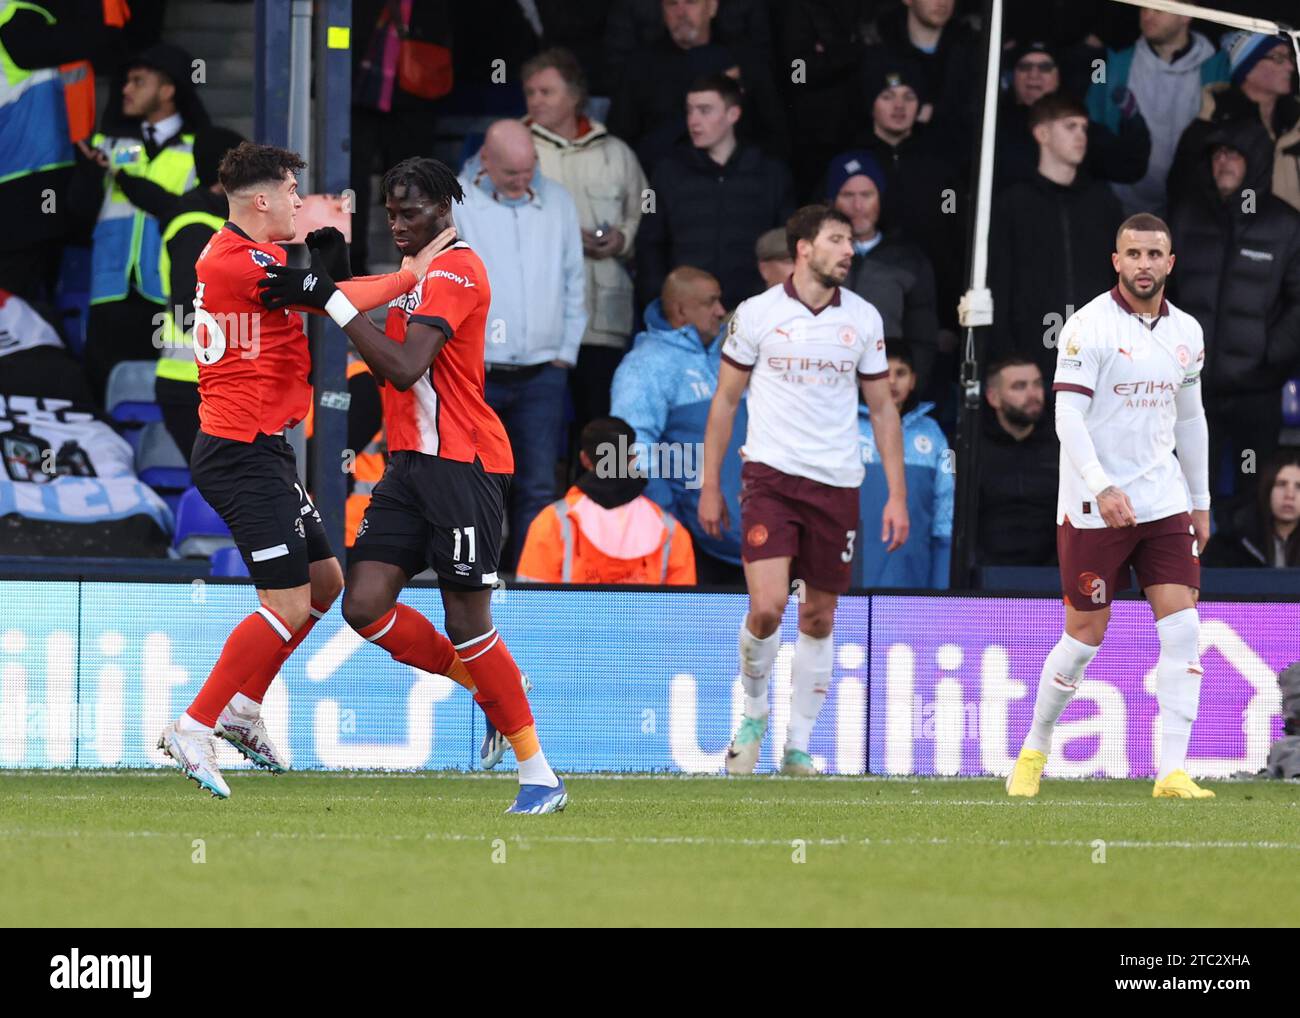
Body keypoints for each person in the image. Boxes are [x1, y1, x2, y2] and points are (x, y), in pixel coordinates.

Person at [261, 156, 568, 815]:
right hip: (407, 468)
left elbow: (402, 368)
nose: (399, 224)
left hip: (464, 465)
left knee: (466, 619)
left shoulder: (458, 269)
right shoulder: (413, 275)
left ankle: (540, 775)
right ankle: (492, 694)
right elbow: (348, 297)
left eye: (412, 213)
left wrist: (331, 296)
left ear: (445, 210)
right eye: (391, 213)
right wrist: (319, 272)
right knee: (363, 605)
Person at [156, 143, 428, 799]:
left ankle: (243, 708)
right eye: (290, 191)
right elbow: (336, 299)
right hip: (240, 454)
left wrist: (346, 275)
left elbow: (322, 293)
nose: (297, 202)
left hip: (264, 449)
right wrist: (409, 275)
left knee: (325, 584)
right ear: (261, 201)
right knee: (284, 601)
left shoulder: (246, 257)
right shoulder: (239, 262)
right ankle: (192, 726)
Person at [1007, 212, 1215, 800]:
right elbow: (1066, 416)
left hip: (1164, 500)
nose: (1144, 264)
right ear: (1116, 261)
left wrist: (1198, 501)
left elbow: (1191, 417)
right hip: (1093, 503)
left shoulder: (1188, 332)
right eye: (1134, 254)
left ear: (1170, 263)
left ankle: (1171, 772)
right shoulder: (1085, 328)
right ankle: (1035, 747)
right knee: (1083, 637)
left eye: (1155, 255)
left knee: (1182, 630)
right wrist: (1102, 486)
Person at [699, 205, 909, 775]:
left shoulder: (863, 318)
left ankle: (797, 746)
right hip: (769, 475)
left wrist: (896, 493)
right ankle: (752, 715)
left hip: (837, 482)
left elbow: (883, 407)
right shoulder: (757, 314)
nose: (849, 250)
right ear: (803, 249)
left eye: (850, 241)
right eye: (837, 240)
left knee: (818, 616)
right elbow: (725, 400)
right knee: (767, 607)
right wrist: (709, 485)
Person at [454, 119, 586, 572]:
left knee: (536, 485)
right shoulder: (457, 202)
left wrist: (565, 353)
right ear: (485, 161)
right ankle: (478, 577)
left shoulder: (560, 202)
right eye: (512, 173)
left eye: (529, 171)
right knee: (475, 482)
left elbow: (574, 278)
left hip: (543, 372)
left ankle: (531, 582)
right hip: (477, 372)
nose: (523, 181)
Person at [1167, 116, 1300, 517]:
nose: (1223, 162)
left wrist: (1267, 355)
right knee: (1183, 492)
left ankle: (1248, 577)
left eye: (1234, 155)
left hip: (1255, 390)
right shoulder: (1184, 218)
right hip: (1191, 387)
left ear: (1256, 160)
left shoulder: (1285, 224)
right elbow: (1161, 293)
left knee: (1253, 491)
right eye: (1217, 154)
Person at [522, 47, 647, 440]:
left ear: (575, 96)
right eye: (531, 92)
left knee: (599, 422)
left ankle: (595, 498)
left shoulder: (617, 153)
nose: (535, 100)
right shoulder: (513, 148)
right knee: (535, 430)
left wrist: (621, 238)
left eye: (546, 91)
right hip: (537, 321)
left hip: (603, 316)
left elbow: (645, 213)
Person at [73, 43, 208, 403]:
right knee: (102, 395)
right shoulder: (107, 143)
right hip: (110, 286)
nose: (125, 90)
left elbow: (190, 213)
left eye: (138, 81)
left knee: (154, 399)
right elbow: (79, 213)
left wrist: (127, 182)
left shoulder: (200, 150)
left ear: (168, 90)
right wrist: (87, 172)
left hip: (163, 290)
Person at [102, 125, 244, 457]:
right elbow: (187, 311)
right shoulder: (196, 226)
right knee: (231, 490)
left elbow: (155, 198)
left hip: (211, 383)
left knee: (234, 493)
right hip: (191, 385)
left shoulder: (216, 220)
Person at [611, 265, 744, 585]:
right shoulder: (645, 365)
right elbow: (627, 449)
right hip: (695, 546)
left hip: (753, 541)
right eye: (711, 302)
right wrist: (671, 522)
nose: (721, 311)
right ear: (681, 310)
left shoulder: (731, 354)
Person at [989, 92, 1122, 390]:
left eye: (1084, 128)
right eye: (1070, 126)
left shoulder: (1103, 201)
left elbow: (1120, 276)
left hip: (1098, 361)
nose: (1081, 136)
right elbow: (999, 282)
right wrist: (1008, 356)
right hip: (1031, 366)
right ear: (1042, 133)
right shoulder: (1013, 203)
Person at [636, 73, 794, 312]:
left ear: (733, 114)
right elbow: (649, 243)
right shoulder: (667, 173)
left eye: (705, 110)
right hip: (686, 316)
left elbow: (786, 245)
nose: (693, 121)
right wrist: (660, 301)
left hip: (754, 313)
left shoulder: (771, 173)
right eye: (690, 111)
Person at [852, 55, 964, 343]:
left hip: (934, 306)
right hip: (866, 302)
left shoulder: (941, 161)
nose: (899, 105)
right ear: (870, 103)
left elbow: (956, 239)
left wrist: (951, 320)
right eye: (887, 96)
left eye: (908, 96)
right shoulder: (852, 159)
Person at [607, 0, 787, 176]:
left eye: (691, 2)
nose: (681, 12)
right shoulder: (641, 64)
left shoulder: (744, 59)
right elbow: (621, 138)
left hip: (739, 182)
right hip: (661, 184)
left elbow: (775, 133)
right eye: (672, 4)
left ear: (712, 7)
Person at [517, 416, 697, 584]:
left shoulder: (552, 523)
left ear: (585, 460)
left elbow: (527, 608)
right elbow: (684, 613)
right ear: (633, 460)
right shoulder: (671, 531)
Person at [1086, 9, 1228, 217]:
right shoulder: (1113, 64)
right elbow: (1093, 122)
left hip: (1191, 212)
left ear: (1186, 14)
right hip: (1118, 207)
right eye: (1144, 6)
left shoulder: (1217, 68)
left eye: (1158, 8)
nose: (1147, 15)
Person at [827, 149, 939, 396]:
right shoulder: (818, 255)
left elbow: (922, 338)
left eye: (867, 195)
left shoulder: (908, 261)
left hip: (885, 392)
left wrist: (909, 393)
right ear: (832, 201)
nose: (858, 206)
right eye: (847, 195)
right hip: (825, 391)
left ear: (881, 198)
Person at [995, 40, 1151, 196]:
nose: (1034, 74)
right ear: (1013, 76)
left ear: (1058, 77)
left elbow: (1129, 166)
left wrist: (1133, 119)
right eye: (1024, 67)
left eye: (1045, 67)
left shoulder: (1078, 127)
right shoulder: (993, 123)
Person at [1170, 32, 1300, 215]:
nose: (1290, 66)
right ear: (1248, 67)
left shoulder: (1295, 123)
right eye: (1278, 58)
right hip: (1237, 241)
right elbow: (1185, 200)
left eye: (1290, 57)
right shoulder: (1212, 127)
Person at [856, 340, 951, 588]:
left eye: (901, 373)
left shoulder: (932, 434)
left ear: (913, 380)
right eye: (883, 373)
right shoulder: (844, 426)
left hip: (912, 566)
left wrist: (942, 579)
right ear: (862, 379)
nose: (891, 381)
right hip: (850, 566)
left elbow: (946, 505)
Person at [977, 357, 1058, 566]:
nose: (1033, 395)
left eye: (1037, 384)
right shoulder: (971, 448)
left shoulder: (1062, 445)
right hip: (985, 577)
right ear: (993, 397)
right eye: (1019, 387)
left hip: (1052, 575)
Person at [1203, 447, 1300, 568]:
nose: (1290, 495)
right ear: (1267, 489)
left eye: (1298, 487)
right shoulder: (1231, 544)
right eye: (1281, 484)